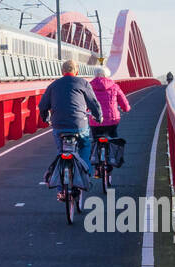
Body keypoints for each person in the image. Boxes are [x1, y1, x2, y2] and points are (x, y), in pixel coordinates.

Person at [38, 59, 102, 190]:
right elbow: (93, 103)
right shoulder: (83, 83)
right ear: (76, 71)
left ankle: (61, 190)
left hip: (59, 125)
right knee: (84, 145)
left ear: (62, 71)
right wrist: (98, 116)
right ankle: (86, 175)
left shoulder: (53, 85)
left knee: (61, 150)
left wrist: (45, 118)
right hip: (79, 124)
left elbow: (43, 105)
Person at [89, 65, 132, 173]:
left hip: (95, 121)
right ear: (107, 75)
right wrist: (126, 108)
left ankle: (97, 167)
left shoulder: (89, 86)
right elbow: (124, 103)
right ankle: (113, 159)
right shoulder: (114, 86)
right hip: (112, 120)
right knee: (113, 140)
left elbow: (85, 101)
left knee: (95, 141)